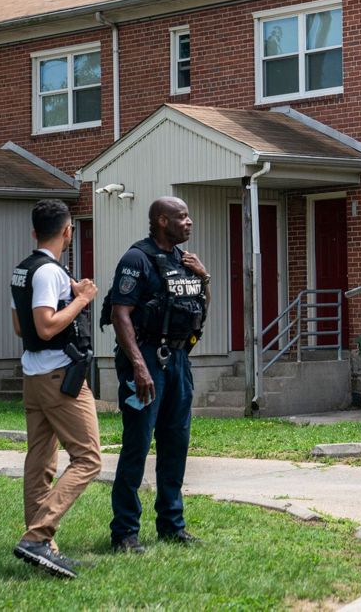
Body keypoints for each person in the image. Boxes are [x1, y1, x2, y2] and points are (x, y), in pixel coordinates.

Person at [108, 196, 210, 553]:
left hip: (179, 360)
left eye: (188, 216)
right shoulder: (137, 259)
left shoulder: (185, 262)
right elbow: (121, 315)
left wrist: (204, 277)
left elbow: (198, 307)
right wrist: (138, 366)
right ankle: (124, 531)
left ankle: (172, 525)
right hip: (147, 358)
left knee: (175, 444)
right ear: (162, 221)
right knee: (137, 444)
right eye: (182, 217)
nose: (189, 222)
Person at [9, 199, 101, 579]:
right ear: (67, 231)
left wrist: (69, 291)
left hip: (33, 376)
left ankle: (43, 547)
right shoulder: (49, 273)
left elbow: (21, 327)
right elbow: (46, 326)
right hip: (58, 378)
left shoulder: (22, 270)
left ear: (34, 232)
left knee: (41, 462)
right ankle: (38, 536)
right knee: (88, 459)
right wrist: (81, 299)